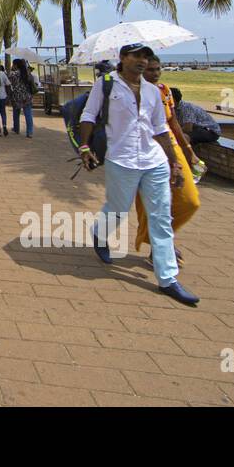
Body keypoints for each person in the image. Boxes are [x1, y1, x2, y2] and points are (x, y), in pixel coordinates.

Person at [77, 44, 199, 306]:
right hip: (121, 160)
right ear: (123, 58)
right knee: (118, 208)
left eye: (146, 57)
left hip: (153, 161)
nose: (143, 61)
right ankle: (100, 233)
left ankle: (168, 279)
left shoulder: (153, 91)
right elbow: (89, 114)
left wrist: (175, 162)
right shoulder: (107, 84)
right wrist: (84, 146)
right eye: (137, 56)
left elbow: (160, 128)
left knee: (161, 218)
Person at [133, 56, 200, 260]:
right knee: (153, 202)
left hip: (170, 147)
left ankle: (162, 239)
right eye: (149, 70)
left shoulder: (165, 91)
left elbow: (174, 123)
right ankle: (161, 244)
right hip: (144, 149)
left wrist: (188, 150)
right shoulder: (131, 93)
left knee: (190, 200)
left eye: (157, 69)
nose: (155, 73)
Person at [7, 58, 39, 136]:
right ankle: (30, 132)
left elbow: (8, 83)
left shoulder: (13, 74)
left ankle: (16, 129)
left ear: (16, 65)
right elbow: (32, 82)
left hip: (16, 96)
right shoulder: (27, 73)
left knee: (16, 113)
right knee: (28, 113)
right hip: (27, 96)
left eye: (13, 64)